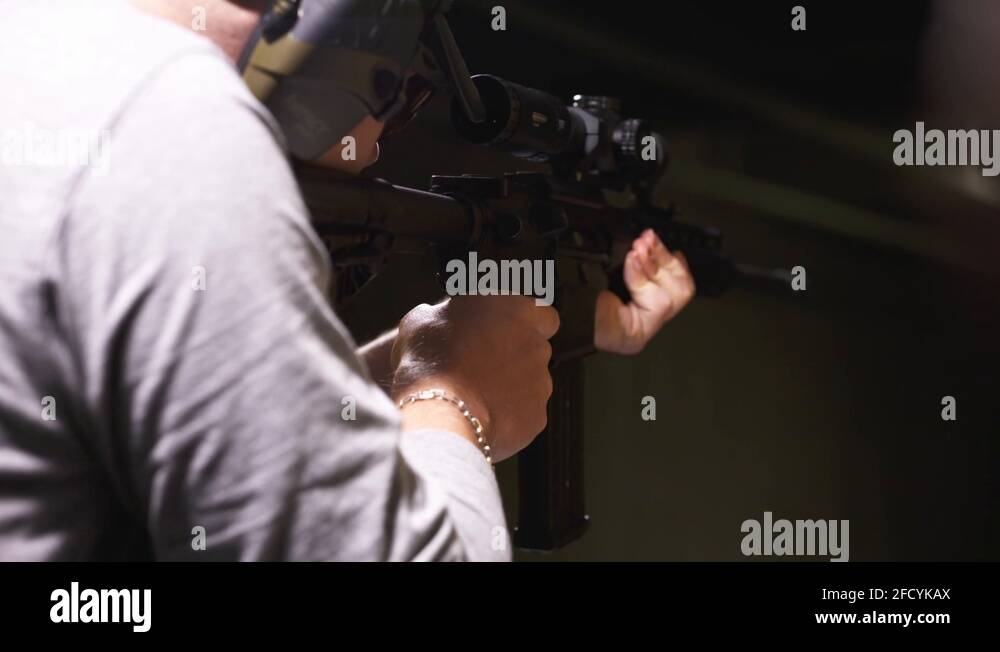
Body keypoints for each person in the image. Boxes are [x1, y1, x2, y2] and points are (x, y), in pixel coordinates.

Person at [0, 0, 695, 561]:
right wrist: (454, 399)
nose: (397, 123)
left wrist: (403, 363)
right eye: (408, 80)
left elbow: (178, 433)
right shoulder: (172, 121)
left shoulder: (43, 62)